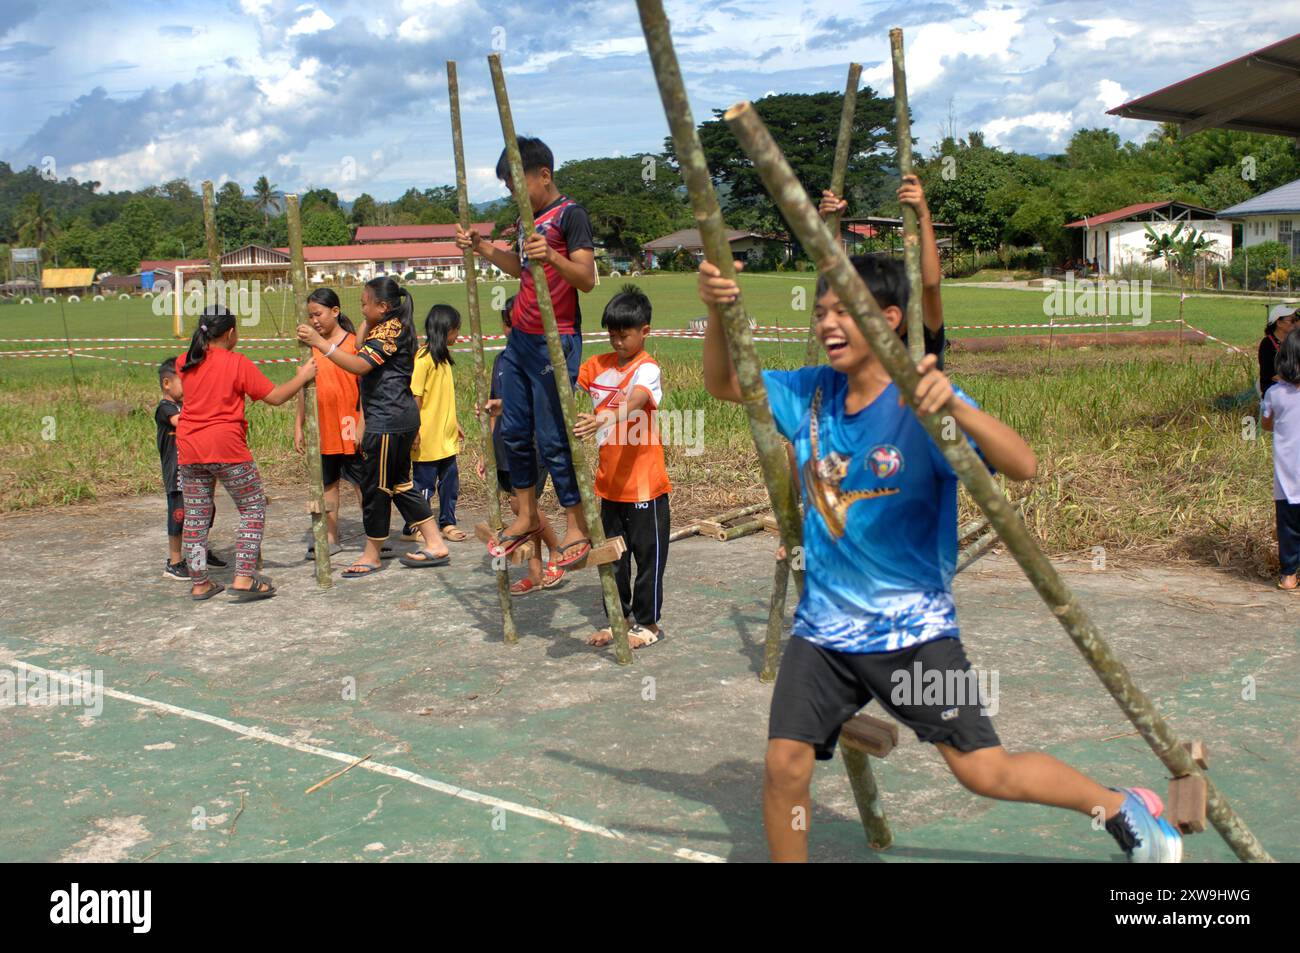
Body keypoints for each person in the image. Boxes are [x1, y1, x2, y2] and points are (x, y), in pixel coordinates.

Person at [697, 254, 1183, 864]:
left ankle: (1118, 808)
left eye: (844, 311)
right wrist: (716, 310)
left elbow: (1023, 466)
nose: (827, 324)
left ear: (891, 319)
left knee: (985, 772)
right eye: (821, 312)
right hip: (825, 631)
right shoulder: (811, 393)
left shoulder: (925, 402)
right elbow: (723, 383)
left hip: (915, 634)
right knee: (783, 766)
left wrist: (954, 407)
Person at [455, 136, 597, 568]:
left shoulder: (570, 215)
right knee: (514, 434)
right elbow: (520, 268)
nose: (514, 196)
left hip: (555, 341)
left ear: (543, 175)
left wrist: (551, 256)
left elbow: (586, 278)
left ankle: (576, 525)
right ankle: (527, 514)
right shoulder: (525, 222)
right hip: (519, 339)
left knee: (553, 439)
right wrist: (480, 248)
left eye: (517, 185)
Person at [297, 276, 449, 576]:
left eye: (365, 304)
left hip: (388, 419)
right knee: (400, 484)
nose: (362, 310)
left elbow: (359, 364)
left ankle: (372, 554)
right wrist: (367, 320)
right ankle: (435, 542)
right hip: (396, 418)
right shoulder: (386, 325)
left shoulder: (391, 330)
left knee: (376, 488)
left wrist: (321, 344)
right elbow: (360, 344)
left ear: (383, 306)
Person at [176, 305, 316, 602]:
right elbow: (276, 397)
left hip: (189, 447)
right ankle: (243, 577)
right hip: (227, 447)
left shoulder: (184, 363)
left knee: (197, 516)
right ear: (230, 333)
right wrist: (303, 376)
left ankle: (200, 582)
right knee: (252, 507)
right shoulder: (237, 363)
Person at [574, 286, 671, 649]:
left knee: (648, 557)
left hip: (644, 485)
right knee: (613, 557)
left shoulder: (647, 368)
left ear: (644, 331)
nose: (617, 342)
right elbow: (561, 380)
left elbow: (637, 401)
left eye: (624, 335)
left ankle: (648, 624)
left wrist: (603, 419)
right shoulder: (596, 365)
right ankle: (619, 618)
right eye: (611, 335)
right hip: (608, 485)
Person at [476, 295, 565, 595]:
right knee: (523, 509)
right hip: (506, 443)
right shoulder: (502, 361)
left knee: (521, 505)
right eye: (512, 326)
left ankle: (557, 550)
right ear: (504, 327)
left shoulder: (544, 361)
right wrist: (489, 450)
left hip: (534, 443)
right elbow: (494, 405)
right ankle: (536, 573)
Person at [820, 174, 946, 367]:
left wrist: (923, 216)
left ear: (893, 315)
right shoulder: (867, 342)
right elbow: (838, 281)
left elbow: (931, 286)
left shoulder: (923, 336)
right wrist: (833, 225)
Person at [294, 288, 364, 560]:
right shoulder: (308, 348)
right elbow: (302, 386)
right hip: (323, 427)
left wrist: (363, 424)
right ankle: (330, 537)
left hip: (351, 425)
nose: (315, 321)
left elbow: (366, 387)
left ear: (335, 311)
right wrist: (299, 424)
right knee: (328, 485)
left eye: (319, 314)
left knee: (363, 484)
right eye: (310, 316)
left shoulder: (354, 343)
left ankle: (374, 534)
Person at [157, 357, 225, 580]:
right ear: (167, 383)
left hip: (196, 467)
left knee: (206, 509)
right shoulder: (165, 408)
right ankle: (175, 561)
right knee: (179, 515)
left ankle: (200, 551)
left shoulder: (186, 405)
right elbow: (181, 422)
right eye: (184, 382)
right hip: (176, 471)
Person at [404, 304, 467, 543]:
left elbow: (442, 398)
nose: (458, 335)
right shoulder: (423, 358)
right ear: (446, 329)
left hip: (446, 437)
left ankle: (447, 523)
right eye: (456, 330)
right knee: (424, 486)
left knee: (450, 482)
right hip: (427, 438)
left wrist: (455, 422)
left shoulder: (443, 358)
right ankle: (415, 527)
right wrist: (415, 430)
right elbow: (416, 397)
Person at [1261, 330, 1300, 591]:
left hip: (1286, 475)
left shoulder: (1274, 393)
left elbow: (1266, 424)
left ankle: (1289, 575)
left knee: (1287, 526)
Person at [1258, 303, 1297, 399]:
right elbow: (1271, 374)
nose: (1295, 323)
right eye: (1292, 320)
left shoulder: (1293, 341)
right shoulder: (1267, 344)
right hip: (1275, 388)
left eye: (1295, 320)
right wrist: (1294, 385)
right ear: (1279, 323)